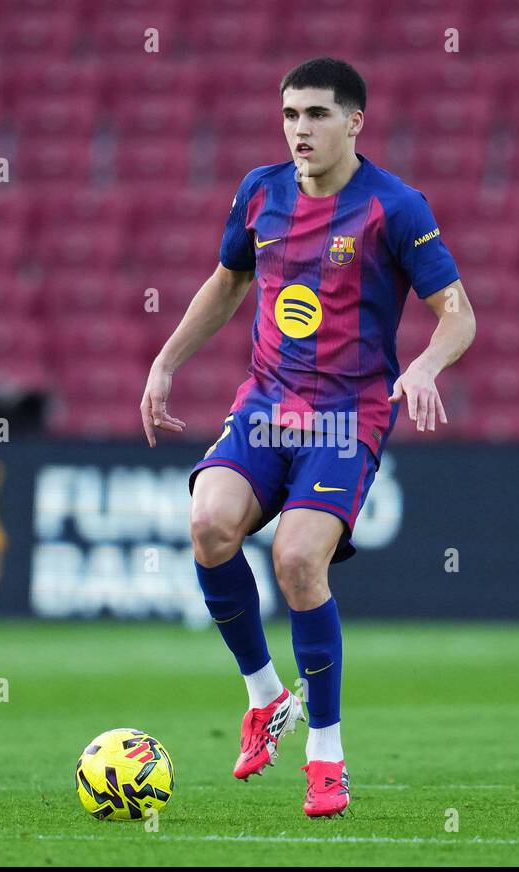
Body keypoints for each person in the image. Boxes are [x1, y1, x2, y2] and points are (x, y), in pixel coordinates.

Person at [140, 57, 476, 817]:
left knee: (296, 559)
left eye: (317, 115)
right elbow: (228, 282)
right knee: (208, 525)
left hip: (345, 416)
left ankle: (326, 755)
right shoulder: (260, 191)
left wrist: (424, 367)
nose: (300, 130)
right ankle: (265, 698)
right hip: (264, 405)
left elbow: (458, 312)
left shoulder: (396, 207)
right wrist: (165, 365)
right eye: (291, 114)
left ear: (354, 122)